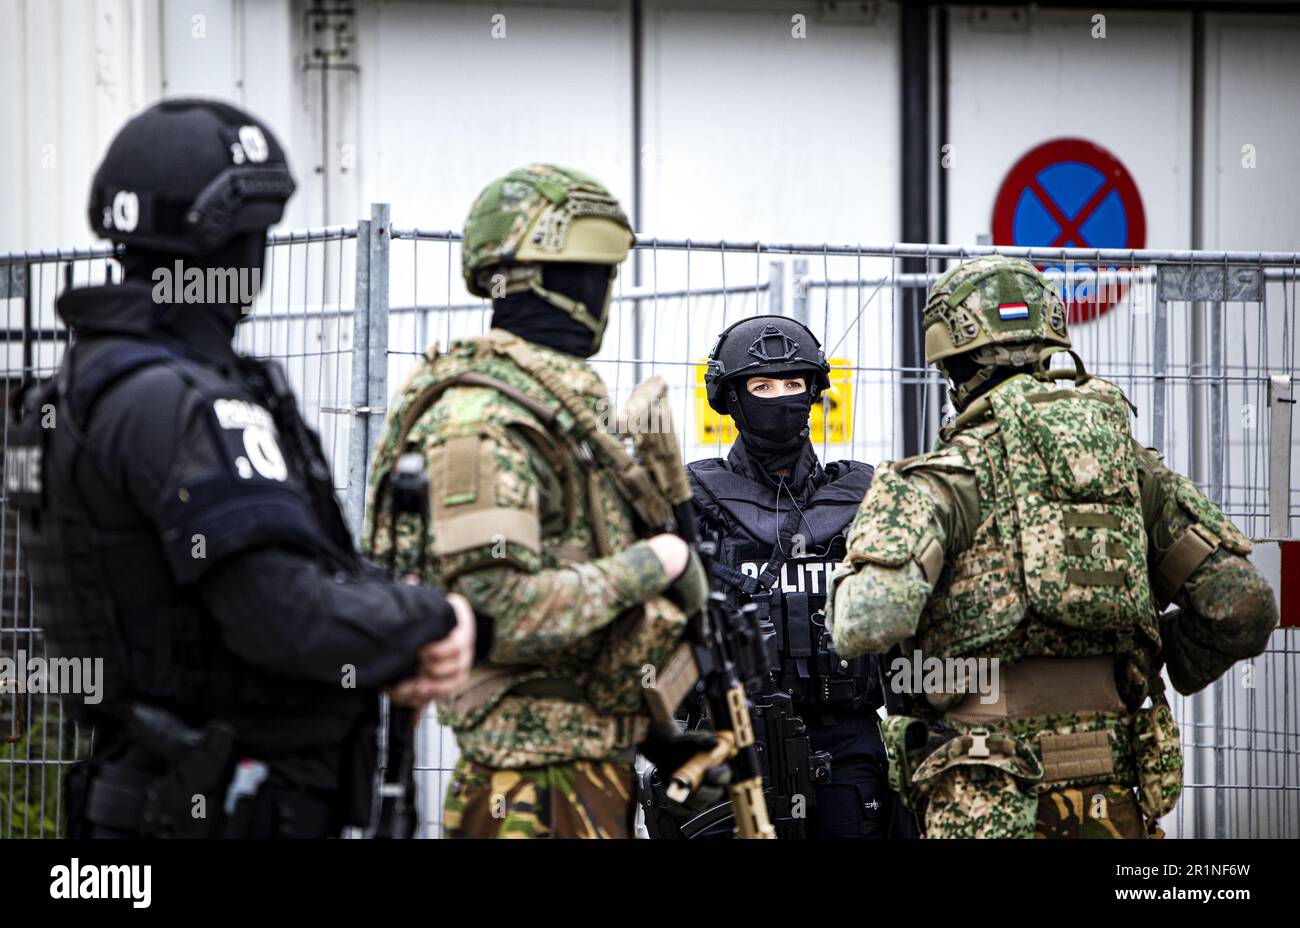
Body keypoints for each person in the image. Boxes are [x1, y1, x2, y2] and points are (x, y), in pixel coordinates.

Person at [8, 99, 476, 839]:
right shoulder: (181, 404)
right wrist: (433, 618)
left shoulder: (80, 386)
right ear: (231, 242)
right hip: (222, 809)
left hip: (143, 803)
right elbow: (287, 619)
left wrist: (383, 627)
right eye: (259, 238)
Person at [827, 255, 1279, 838]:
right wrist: (1148, 662)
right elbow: (1245, 605)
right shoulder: (1132, 471)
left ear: (952, 365)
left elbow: (865, 623)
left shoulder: (942, 480)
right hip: (1115, 784)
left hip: (985, 791)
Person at [366, 163, 712, 839]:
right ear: (561, 280)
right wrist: (659, 561)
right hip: (527, 790)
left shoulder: (551, 408)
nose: (604, 293)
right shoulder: (486, 421)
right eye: (597, 274)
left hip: (577, 778)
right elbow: (502, 611)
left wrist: (658, 736)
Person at [673, 314, 902, 839]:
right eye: (762, 386)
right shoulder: (691, 503)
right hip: (731, 747)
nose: (780, 397)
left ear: (815, 391)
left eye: (794, 384)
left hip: (847, 747)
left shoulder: (864, 497)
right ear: (731, 397)